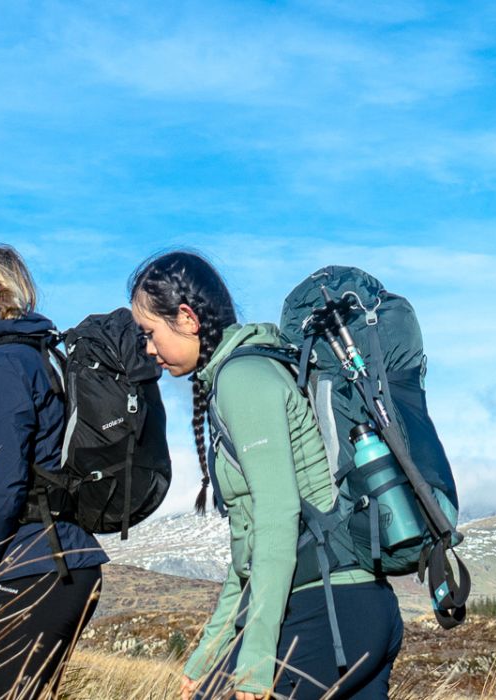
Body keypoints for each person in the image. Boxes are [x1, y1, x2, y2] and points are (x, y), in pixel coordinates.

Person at [127, 251, 402, 700]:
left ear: (187, 317)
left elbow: (276, 516)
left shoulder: (243, 380)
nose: (149, 349)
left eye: (150, 333)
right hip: (360, 607)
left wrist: (253, 665)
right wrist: (208, 654)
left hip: (324, 611)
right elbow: (248, 558)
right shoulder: (256, 368)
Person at [0, 242, 106, 700]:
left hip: (37, 568)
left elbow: (0, 488)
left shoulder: (3, 364)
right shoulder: (29, 353)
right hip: (54, 564)